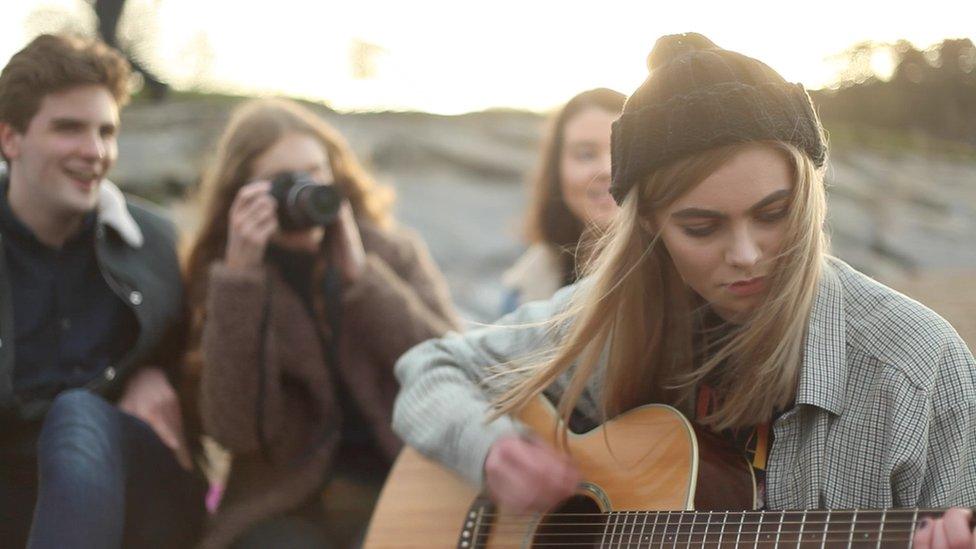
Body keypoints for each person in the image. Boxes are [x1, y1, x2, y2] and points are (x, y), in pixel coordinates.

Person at [392, 33, 976, 547]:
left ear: (810, 195)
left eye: (773, 213)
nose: (745, 254)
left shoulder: (916, 368)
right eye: (702, 227)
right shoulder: (615, 319)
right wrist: (491, 450)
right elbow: (430, 367)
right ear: (650, 226)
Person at [183, 98, 461, 548]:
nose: (305, 192)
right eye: (284, 181)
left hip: (398, 483)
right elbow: (234, 429)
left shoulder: (392, 254)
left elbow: (455, 370)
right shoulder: (227, 280)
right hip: (283, 504)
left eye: (315, 173)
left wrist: (363, 280)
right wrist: (241, 280)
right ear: (243, 194)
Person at [0, 34, 205, 548]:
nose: (95, 152)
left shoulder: (157, 244)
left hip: (131, 483)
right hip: (15, 491)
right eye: (69, 128)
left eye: (106, 132)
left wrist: (159, 375)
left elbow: (205, 363)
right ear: (10, 139)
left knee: (76, 415)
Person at [501, 88, 625, 314]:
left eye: (622, 151)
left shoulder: (684, 275)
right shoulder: (522, 290)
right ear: (556, 169)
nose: (607, 169)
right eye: (586, 154)